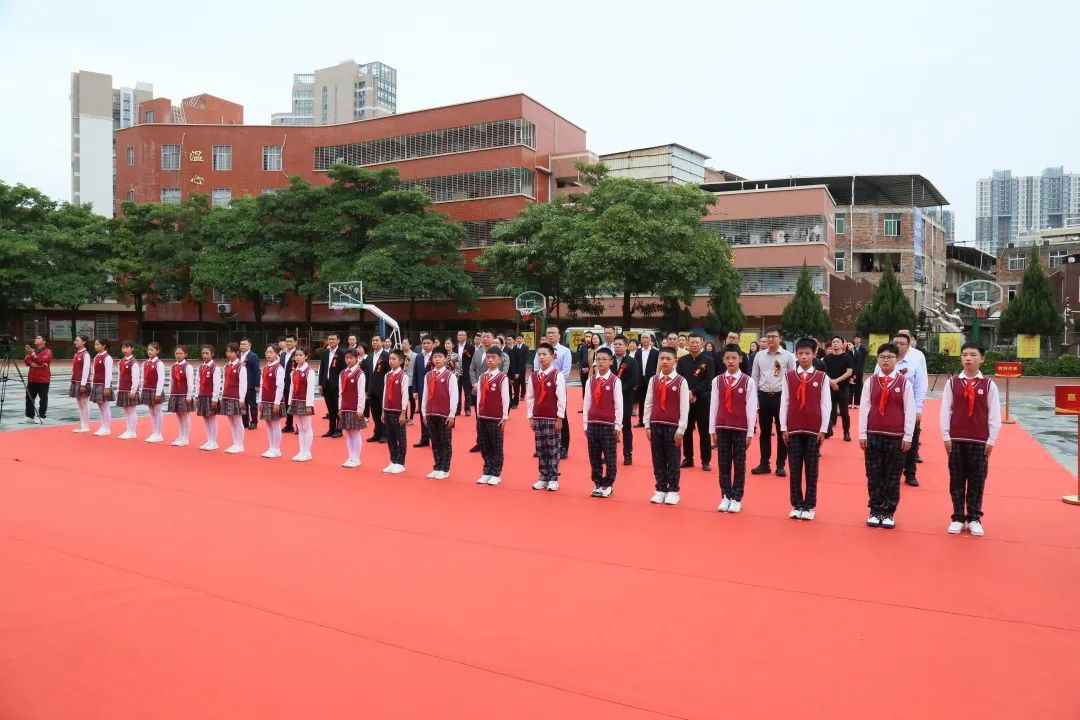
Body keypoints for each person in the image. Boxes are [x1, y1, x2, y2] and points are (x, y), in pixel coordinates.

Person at [941, 343, 1001, 537]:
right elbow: (945, 411)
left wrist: (991, 440)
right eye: (964, 355)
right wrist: (945, 435)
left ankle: (974, 517)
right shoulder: (952, 383)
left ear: (982, 359)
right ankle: (958, 517)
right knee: (956, 480)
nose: (968, 358)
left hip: (979, 441)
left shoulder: (989, 385)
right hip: (956, 439)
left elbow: (994, 416)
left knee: (977, 481)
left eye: (973, 355)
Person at [859, 342, 915, 529]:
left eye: (889, 357)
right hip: (873, 434)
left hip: (896, 436)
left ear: (896, 359)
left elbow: (910, 410)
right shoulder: (871, 382)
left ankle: (889, 512)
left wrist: (908, 436)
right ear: (877, 359)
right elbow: (864, 408)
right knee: (874, 475)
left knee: (892, 476)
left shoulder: (904, 383)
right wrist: (862, 433)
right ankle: (875, 510)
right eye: (882, 357)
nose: (885, 360)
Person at [780, 339, 831, 521]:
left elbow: (826, 404)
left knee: (811, 469)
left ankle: (809, 505)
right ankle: (796, 504)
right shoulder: (789, 376)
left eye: (807, 353)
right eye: (800, 353)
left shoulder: (822, 377)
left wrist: (823, 429)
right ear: (796, 355)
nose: (803, 356)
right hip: (793, 428)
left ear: (814, 354)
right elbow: (784, 402)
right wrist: (783, 427)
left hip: (813, 429)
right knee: (794, 469)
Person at [710, 344, 758, 513]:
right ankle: (725, 495)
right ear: (723, 360)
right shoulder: (717, 381)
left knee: (739, 464)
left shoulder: (748, 381)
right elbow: (713, 407)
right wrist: (712, 430)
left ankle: (737, 497)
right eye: (727, 358)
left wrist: (750, 432)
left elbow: (751, 408)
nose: (731, 361)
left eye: (734, 358)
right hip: (722, 426)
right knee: (723, 464)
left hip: (740, 428)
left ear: (740, 359)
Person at [875, 332, 927, 487]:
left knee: (910, 442)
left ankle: (910, 473)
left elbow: (920, 386)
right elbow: (875, 385)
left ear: (908, 345)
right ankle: (886, 472)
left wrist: (918, 408)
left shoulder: (914, 363)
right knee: (887, 442)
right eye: (895, 342)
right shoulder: (882, 362)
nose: (898, 345)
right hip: (886, 409)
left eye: (902, 343)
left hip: (908, 409)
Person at [643, 347, 689, 505]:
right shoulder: (653, 380)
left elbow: (684, 407)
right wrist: (647, 425)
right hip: (656, 424)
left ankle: (673, 490)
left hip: (673, 426)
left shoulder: (681, 381)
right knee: (658, 459)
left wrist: (681, 429)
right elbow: (648, 403)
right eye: (662, 358)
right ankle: (660, 488)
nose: (664, 361)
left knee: (673, 459)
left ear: (675, 361)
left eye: (668, 359)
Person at [750, 327, 796, 477]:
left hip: (781, 397)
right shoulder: (759, 356)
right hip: (763, 396)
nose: (770, 339)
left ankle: (780, 464)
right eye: (768, 336)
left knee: (783, 431)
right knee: (764, 432)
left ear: (780, 338)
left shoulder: (788, 356)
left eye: (773, 337)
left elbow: (792, 379)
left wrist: (790, 400)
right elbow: (755, 378)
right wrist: (755, 399)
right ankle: (764, 463)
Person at [583, 347, 622, 498]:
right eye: (597, 359)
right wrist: (585, 424)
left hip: (608, 425)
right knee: (594, 456)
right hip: (593, 423)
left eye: (603, 359)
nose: (600, 362)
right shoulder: (591, 381)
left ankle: (608, 484)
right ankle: (598, 483)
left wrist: (618, 425)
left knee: (610, 456)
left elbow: (618, 404)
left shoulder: (615, 381)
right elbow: (586, 402)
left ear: (611, 362)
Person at [527, 342, 566, 491]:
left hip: (552, 417)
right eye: (539, 354)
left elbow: (562, 398)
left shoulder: (557, 375)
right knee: (541, 448)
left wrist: (560, 418)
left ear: (553, 356)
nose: (541, 357)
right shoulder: (534, 376)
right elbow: (530, 397)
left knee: (553, 448)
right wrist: (530, 415)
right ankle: (543, 476)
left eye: (544, 354)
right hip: (538, 416)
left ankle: (553, 477)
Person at [676, 333, 715, 471]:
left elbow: (709, 381)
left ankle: (705, 460)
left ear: (702, 343)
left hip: (702, 399)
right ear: (687, 343)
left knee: (704, 431)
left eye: (696, 342)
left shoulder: (708, 360)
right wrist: (687, 393)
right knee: (686, 429)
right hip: (685, 399)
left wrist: (694, 392)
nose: (694, 344)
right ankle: (688, 458)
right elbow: (679, 379)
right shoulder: (682, 360)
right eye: (691, 342)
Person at [534, 325, 572, 458]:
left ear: (559, 335)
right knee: (542, 415)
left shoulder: (565, 351)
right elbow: (536, 368)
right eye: (548, 333)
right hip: (542, 388)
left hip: (558, 387)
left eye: (553, 333)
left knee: (561, 416)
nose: (550, 335)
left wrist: (554, 382)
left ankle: (563, 447)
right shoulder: (540, 351)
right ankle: (543, 445)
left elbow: (566, 371)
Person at [421, 347, 458, 479]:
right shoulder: (428, 375)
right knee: (435, 441)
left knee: (445, 442)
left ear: (446, 359)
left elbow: (454, 396)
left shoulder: (450, 376)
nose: (437, 359)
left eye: (440, 356)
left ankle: (445, 468)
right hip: (431, 412)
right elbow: (424, 394)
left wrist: (452, 414)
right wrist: (424, 412)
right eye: (435, 356)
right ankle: (437, 466)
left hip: (444, 414)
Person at [475, 347, 510, 485]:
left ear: (499, 359)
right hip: (482, 416)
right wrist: (478, 414)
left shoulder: (502, 377)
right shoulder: (482, 376)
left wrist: (505, 416)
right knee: (485, 445)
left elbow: (505, 398)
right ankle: (487, 470)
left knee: (496, 446)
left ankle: (496, 473)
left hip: (496, 417)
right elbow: (479, 397)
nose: (490, 360)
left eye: (493, 357)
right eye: (488, 357)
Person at [470, 331, 509, 452]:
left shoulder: (502, 355)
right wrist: (475, 383)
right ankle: (480, 441)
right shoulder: (477, 352)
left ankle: (493, 444)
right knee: (479, 417)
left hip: (494, 391)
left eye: (488, 337)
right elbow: (472, 369)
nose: (485, 339)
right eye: (484, 337)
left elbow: (503, 372)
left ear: (493, 339)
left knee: (493, 422)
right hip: (479, 389)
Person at [897, 328, 928, 464]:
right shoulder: (888, 355)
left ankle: (913, 456)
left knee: (914, 430)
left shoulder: (918, 355)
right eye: (897, 340)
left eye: (903, 339)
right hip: (893, 402)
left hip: (913, 400)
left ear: (909, 341)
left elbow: (922, 379)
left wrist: (919, 404)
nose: (899, 343)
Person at [612, 335, 639, 465]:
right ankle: (609, 454)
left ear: (626, 346)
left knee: (626, 426)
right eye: (615, 344)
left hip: (625, 398)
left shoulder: (632, 362)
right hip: (610, 399)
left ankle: (628, 453)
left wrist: (619, 389)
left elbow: (634, 379)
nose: (617, 346)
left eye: (620, 344)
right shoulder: (609, 360)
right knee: (610, 426)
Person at [382, 349, 410, 474]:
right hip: (387, 409)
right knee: (390, 437)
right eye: (390, 359)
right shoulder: (387, 375)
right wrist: (383, 410)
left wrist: (403, 412)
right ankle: (393, 460)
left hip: (398, 411)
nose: (391, 361)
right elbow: (384, 393)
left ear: (401, 361)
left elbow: (405, 395)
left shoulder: (403, 376)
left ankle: (400, 462)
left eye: (394, 359)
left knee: (401, 437)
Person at [338, 348, 367, 468]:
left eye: (351, 358)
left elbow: (361, 393)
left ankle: (356, 458)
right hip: (345, 406)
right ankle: (350, 457)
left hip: (355, 407)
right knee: (348, 433)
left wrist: (360, 409)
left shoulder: (360, 373)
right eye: (346, 358)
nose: (348, 360)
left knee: (355, 433)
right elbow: (340, 392)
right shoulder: (342, 373)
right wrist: (340, 407)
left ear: (356, 358)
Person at [288, 347, 317, 462]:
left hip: (305, 402)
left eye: (300, 355)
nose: (298, 357)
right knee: (299, 427)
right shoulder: (293, 372)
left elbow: (310, 390)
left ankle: (307, 452)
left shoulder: (309, 371)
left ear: (306, 356)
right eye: (296, 355)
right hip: (295, 401)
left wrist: (309, 405)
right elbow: (291, 388)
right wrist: (290, 402)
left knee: (307, 427)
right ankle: (301, 451)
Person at [823, 336, 854, 441]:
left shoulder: (847, 358)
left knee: (844, 412)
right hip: (829, 388)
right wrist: (831, 382)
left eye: (837, 342)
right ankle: (827, 432)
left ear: (842, 344)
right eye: (833, 342)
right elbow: (824, 373)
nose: (835, 343)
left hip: (843, 388)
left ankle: (846, 432)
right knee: (828, 410)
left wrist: (836, 381)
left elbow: (849, 372)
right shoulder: (826, 358)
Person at [220, 342, 248, 455]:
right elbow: (224, 382)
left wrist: (242, 399)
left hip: (236, 397)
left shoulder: (241, 367)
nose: (229, 354)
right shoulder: (226, 366)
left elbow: (243, 384)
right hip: (227, 395)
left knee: (237, 420)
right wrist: (222, 395)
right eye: (227, 352)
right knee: (231, 421)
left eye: (231, 352)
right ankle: (235, 442)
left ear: (237, 352)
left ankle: (240, 444)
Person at [258, 345, 286, 458]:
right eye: (267, 352)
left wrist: (277, 402)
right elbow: (261, 385)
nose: (268, 354)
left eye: (271, 352)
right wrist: (260, 400)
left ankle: (277, 448)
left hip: (274, 400)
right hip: (265, 399)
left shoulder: (279, 368)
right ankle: (271, 447)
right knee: (268, 424)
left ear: (276, 354)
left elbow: (280, 386)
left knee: (275, 424)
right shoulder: (265, 368)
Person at [168, 345, 197, 447]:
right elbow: (171, 381)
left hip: (184, 394)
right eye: (177, 353)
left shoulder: (187, 366)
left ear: (185, 354)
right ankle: (180, 436)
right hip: (175, 394)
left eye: (180, 353)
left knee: (185, 416)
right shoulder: (173, 366)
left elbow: (190, 383)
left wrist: (189, 396)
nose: (178, 355)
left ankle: (186, 437)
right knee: (179, 416)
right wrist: (170, 394)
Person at [196, 345, 222, 451]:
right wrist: (197, 395)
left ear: (212, 354)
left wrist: (215, 399)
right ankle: (209, 440)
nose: (205, 355)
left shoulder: (215, 368)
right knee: (205, 419)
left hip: (211, 396)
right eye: (203, 353)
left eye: (207, 353)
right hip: (202, 395)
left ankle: (214, 441)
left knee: (211, 418)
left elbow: (217, 384)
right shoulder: (201, 367)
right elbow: (198, 382)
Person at [319, 334, 345, 439]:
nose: (331, 341)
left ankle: (339, 429)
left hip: (337, 385)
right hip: (326, 384)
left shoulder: (342, 353)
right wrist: (320, 384)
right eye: (329, 339)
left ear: (338, 340)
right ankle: (331, 429)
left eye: (333, 339)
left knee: (337, 408)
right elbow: (322, 369)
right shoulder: (325, 353)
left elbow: (343, 370)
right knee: (330, 409)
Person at [115, 341, 142, 440]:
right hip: (122, 389)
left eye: (127, 347)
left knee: (131, 410)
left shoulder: (133, 362)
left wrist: (133, 390)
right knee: (126, 411)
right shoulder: (121, 361)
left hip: (130, 389)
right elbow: (119, 376)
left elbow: (135, 378)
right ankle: (128, 430)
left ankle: (132, 431)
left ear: (132, 349)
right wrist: (118, 388)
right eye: (123, 348)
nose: (124, 350)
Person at [412, 336, 435, 448]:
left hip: (434, 391)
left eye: (428, 343)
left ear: (433, 344)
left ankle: (435, 438)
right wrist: (414, 390)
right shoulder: (419, 357)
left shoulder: (437, 357)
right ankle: (424, 438)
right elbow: (415, 374)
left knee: (433, 415)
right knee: (423, 414)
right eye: (424, 343)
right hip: (421, 390)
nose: (426, 345)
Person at [367, 335, 391, 442]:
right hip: (371, 389)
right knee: (375, 413)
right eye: (373, 340)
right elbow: (367, 374)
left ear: (382, 342)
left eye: (376, 340)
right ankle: (377, 433)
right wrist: (366, 389)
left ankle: (385, 434)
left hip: (383, 389)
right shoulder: (369, 357)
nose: (374, 342)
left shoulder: (387, 356)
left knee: (383, 412)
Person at [23, 335, 52, 423]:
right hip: (32, 378)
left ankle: (42, 416)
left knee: (43, 398)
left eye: (38, 338)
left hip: (43, 379)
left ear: (44, 341)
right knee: (29, 397)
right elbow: (27, 361)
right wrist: (35, 364)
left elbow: (41, 360)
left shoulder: (48, 352)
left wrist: (33, 354)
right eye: (35, 338)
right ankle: (29, 416)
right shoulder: (33, 350)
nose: (36, 339)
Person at [141, 342, 166, 443]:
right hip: (147, 389)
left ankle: (159, 433)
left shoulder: (159, 363)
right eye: (148, 350)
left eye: (152, 350)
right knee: (151, 412)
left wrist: (158, 393)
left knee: (157, 412)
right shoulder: (145, 363)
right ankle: (154, 432)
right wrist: (142, 388)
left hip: (156, 390)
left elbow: (161, 379)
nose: (149, 352)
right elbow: (143, 377)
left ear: (157, 351)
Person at [90, 339, 114, 437]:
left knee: (105, 406)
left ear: (103, 346)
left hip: (104, 384)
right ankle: (103, 426)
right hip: (96, 383)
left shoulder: (107, 358)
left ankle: (107, 427)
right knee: (100, 407)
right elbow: (94, 372)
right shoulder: (96, 357)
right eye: (95, 344)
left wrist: (107, 387)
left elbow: (108, 373)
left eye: (97, 344)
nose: (95, 346)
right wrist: (92, 384)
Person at [634, 332, 659, 427]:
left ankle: (651, 420)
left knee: (651, 401)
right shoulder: (638, 352)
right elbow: (636, 366)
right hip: (640, 379)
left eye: (647, 338)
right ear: (641, 340)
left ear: (650, 340)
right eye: (643, 338)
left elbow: (658, 366)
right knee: (641, 401)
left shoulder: (656, 352)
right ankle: (641, 420)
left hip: (651, 379)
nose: (645, 340)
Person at [69, 335, 92, 433]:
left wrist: (83, 384)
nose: (75, 342)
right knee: (79, 404)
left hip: (83, 382)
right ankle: (82, 424)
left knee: (84, 403)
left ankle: (86, 426)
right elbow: (74, 369)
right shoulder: (76, 354)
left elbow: (86, 370)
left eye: (77, 340)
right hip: (75, 381)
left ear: (83, 342)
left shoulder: (85, 355)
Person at [280, 336, 298, 434]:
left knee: (296, 405)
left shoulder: (298, 354)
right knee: (287, 405)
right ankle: (289, 424)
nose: (288, 343)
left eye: (291, 341)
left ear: (295, 342)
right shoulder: (283, 354)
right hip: (284, 383)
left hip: (295, 383)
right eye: (287, 341)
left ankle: (299, 425)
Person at [454, 331, 475, 416]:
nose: (460, 336)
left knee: (467, 392)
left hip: (467, 372)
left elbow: (473, 360)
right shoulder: (454, 347)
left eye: (462, 335)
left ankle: (467, 409)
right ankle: (457, 409)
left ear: (466, 336)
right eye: (459, 335)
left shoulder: (470, 347)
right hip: (456, 373)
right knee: (457, 392)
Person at [401, 338, 418, 423]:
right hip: (401, 379)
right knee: (404, 399)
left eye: (405, 343)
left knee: (411, 399)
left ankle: (411, 418)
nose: (403, 345)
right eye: (402, 343)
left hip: (411, 380)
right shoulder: (400, 355)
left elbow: (416, 369)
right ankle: (405, 417)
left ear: (410, 345)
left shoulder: (415, 355)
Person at [508, 334, 527, 409]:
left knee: (516, 387)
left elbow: (519, 361)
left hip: (516, 370)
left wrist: (517, 372)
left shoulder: (516, 349)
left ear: (513, 340)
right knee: (508, 388)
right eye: (507, 339)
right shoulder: (506, 349)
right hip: (507, 371)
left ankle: (516, 402)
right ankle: (509, 402)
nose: (508, 341)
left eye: (510, 339)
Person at [577, 331, 595, 399]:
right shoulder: (583, 347)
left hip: (592, 371)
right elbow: (580, 359)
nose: (588, 338)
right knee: (584, 387)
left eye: (589, 337)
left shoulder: (595, 347)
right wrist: (582, 368)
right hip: (583, 371)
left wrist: (589, 368)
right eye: (586, 336)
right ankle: (584, 405)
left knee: (591, 387)